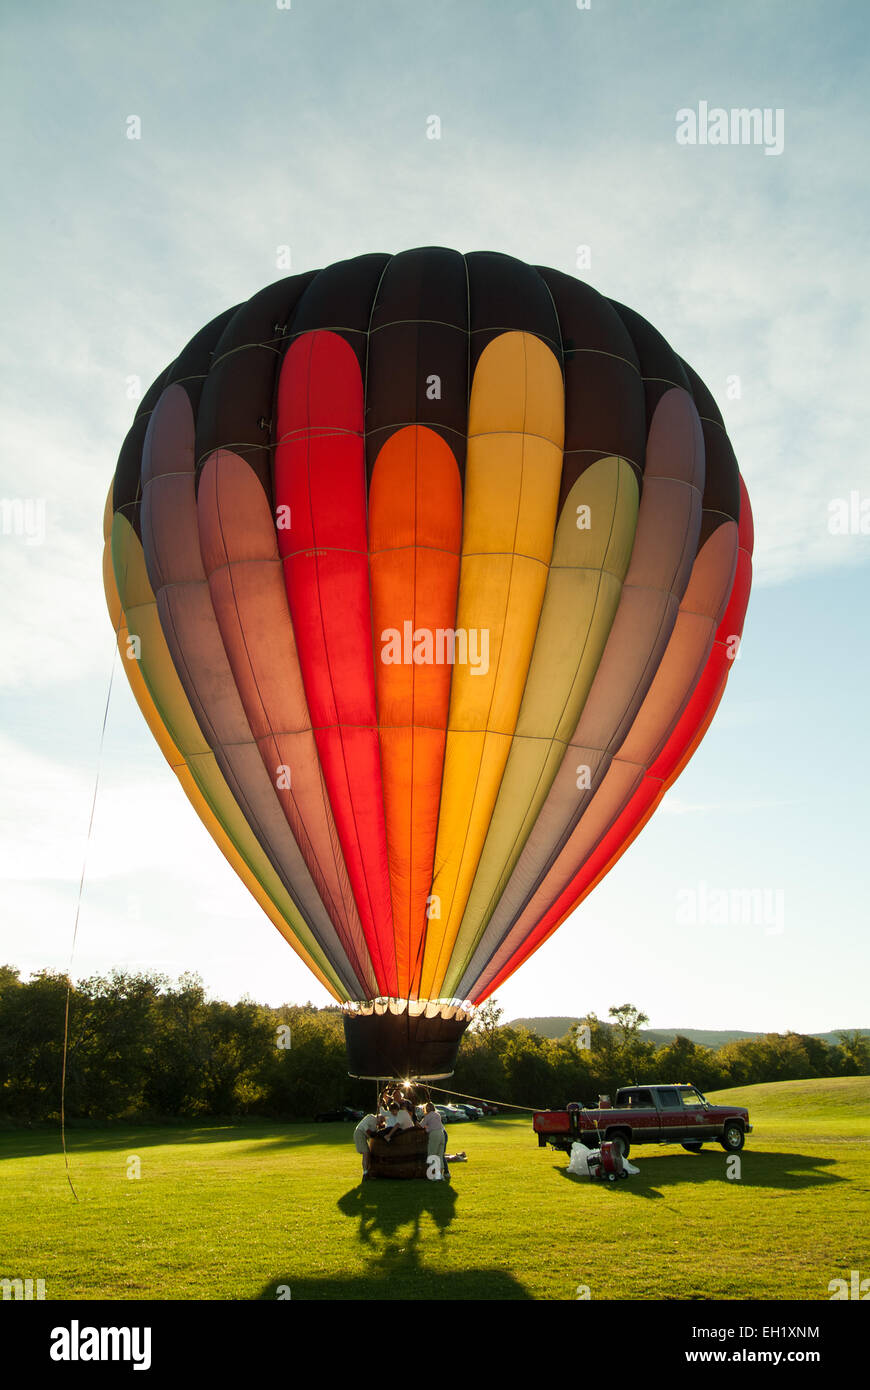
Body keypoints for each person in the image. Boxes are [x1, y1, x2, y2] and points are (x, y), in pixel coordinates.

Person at [420, 1102, 449, 1179]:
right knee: (440, 1155)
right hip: (442, 1134)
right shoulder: (437, 1115)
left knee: (432, 1154)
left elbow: (421, 1126)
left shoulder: (427, 1116)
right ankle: (441, 1175)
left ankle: (433, 1175)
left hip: (434, 1134)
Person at [353, 1113, 379, 1178]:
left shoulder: (377, 1126)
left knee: (368, 1153)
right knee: (366, 1152)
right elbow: (366, 1128)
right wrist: (371, 1133)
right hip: (360, 1133)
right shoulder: (371, 1117)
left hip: (364, 1136)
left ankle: (368, 1172)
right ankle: (365, 1173)